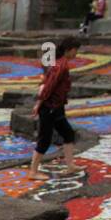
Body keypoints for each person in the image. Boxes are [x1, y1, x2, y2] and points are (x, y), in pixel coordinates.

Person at [26, 36, 81, 181]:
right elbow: (48, 85)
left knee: (68, 134)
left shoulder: (61, 64)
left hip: (57, 106)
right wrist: (39, 103)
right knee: (45, 139)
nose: (76, 54)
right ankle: (33, 171)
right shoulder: (60, 66)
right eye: (75, 50)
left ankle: (70, 165)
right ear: (69, 50)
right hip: (50, 107)